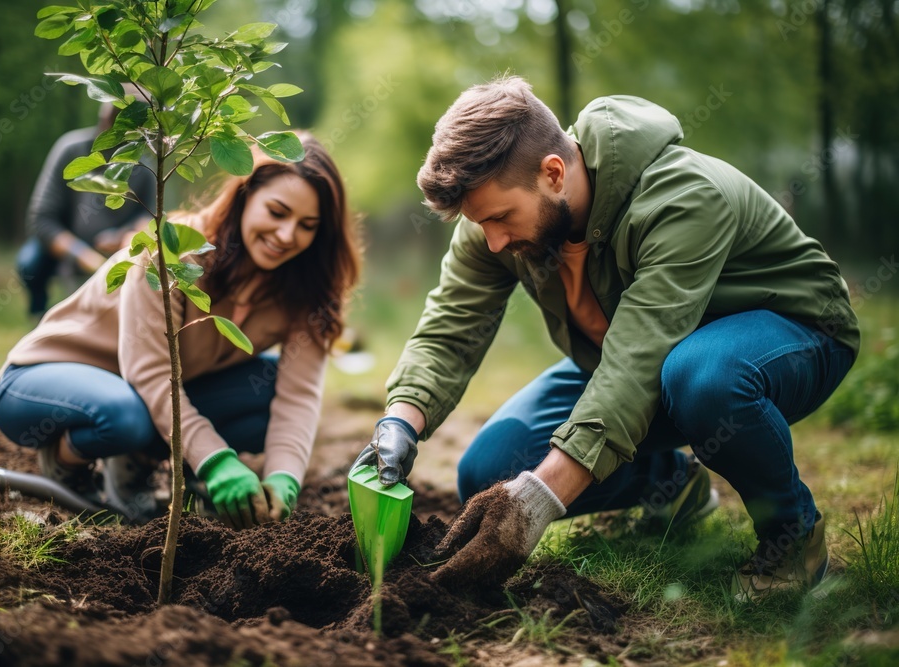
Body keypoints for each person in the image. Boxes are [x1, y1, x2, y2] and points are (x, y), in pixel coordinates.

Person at [352, 76, 859, 602]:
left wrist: (540, 499)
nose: (495, 240)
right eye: (484, 225)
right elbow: (450, 328)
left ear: (553, 173)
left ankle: (792, 537)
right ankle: (670, 481)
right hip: (640, 361)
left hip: (792, 334)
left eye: (502, 218)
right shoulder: (491, 222)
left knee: (703, 377)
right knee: (490, 468)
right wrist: (399, 424)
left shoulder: (681, 197)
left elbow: (640, 359)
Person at [0, 132, 362, 526]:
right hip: (39, 384)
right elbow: (150, 374)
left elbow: (298, 397)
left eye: (307, 225)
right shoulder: (172, 249)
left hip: (146, 399)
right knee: (124, 414)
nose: (287, 235)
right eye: (277, 212)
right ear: (245, 195)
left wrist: (284, 479)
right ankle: (64, 461)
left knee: (265, 394)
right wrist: (216, 462)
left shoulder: (304, 289)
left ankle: (139, 460)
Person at [17, 95, 156, 317]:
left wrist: (124, 237)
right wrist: (82, 255)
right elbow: (40, 219)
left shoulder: (145, 166)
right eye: (108, 115)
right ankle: (38, 312)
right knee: (30, 263)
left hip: (117, 252)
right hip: (65, 246)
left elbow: (148, 217)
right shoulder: (71, 149)